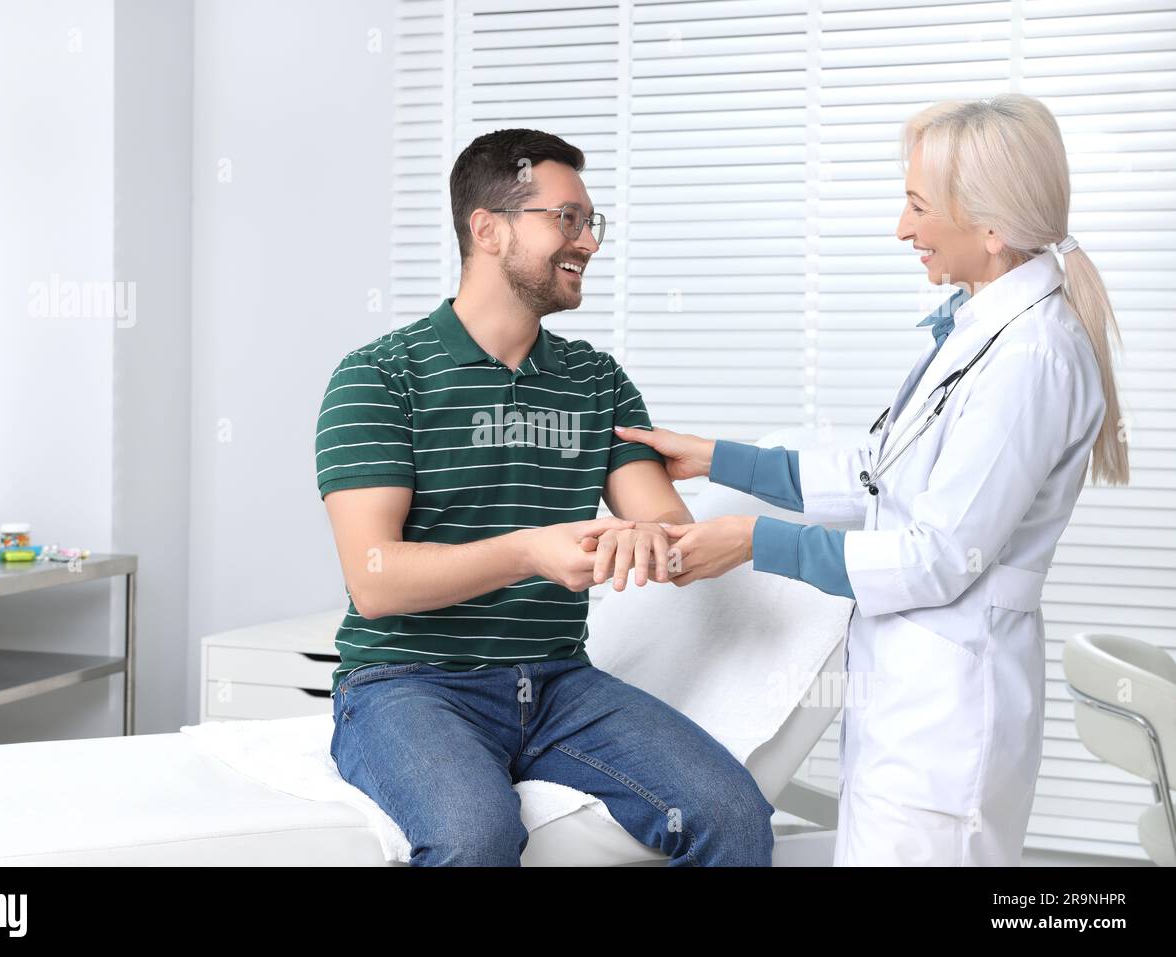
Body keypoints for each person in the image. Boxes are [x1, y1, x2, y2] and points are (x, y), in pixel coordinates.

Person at [618, 95, 1129, 865]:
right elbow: (882, 472)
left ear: (991, 229)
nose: (902, 228)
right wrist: (718, 457)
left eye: (918, 206)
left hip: (948, 722)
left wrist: (755, 541)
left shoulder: (1032, 359)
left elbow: (938, 554)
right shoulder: (982, 329)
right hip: (910, 705)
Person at [315, 128, 775, 866]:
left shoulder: (595, 379)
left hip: (559, 683)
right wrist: (531, 550)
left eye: (592, 222)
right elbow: (375, 579)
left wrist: (647, 539)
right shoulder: (380, 376)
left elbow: (665, 523)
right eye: (567, 219)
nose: (589, 241)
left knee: (732, 814)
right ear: (487, 228)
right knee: (476, 837)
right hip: (407, 684)